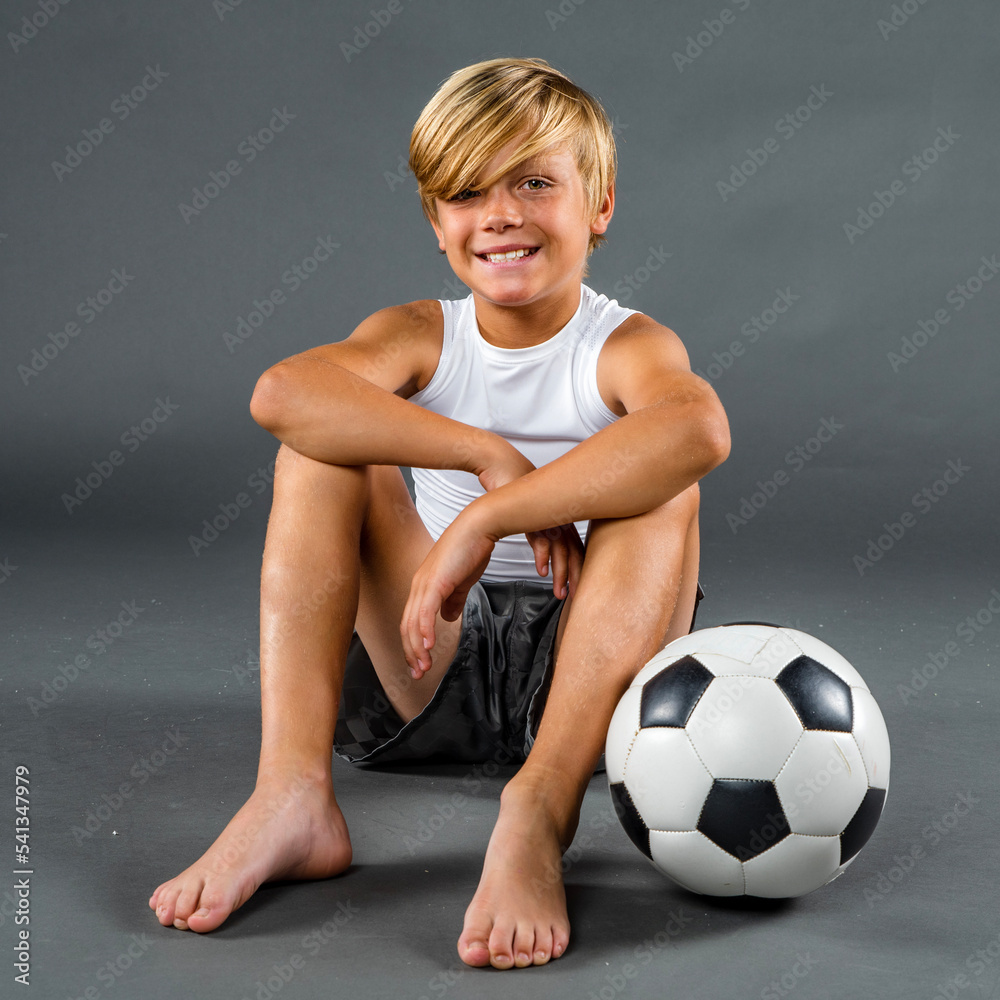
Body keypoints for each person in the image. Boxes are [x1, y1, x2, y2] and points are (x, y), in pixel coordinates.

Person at [148, 56, 730, 970]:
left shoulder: (624, 345)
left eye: (534, 183)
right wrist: (485, 457)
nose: (499, 215)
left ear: (600, 203)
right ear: (436, 221)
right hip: (426, 657)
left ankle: (538, 810)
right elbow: (282, 393)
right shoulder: (425, 335)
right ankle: (290, 795)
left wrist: (491, 518)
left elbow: (697, 430)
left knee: (665, 481)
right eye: (465, 193)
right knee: (317, 447)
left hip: (588, 682)